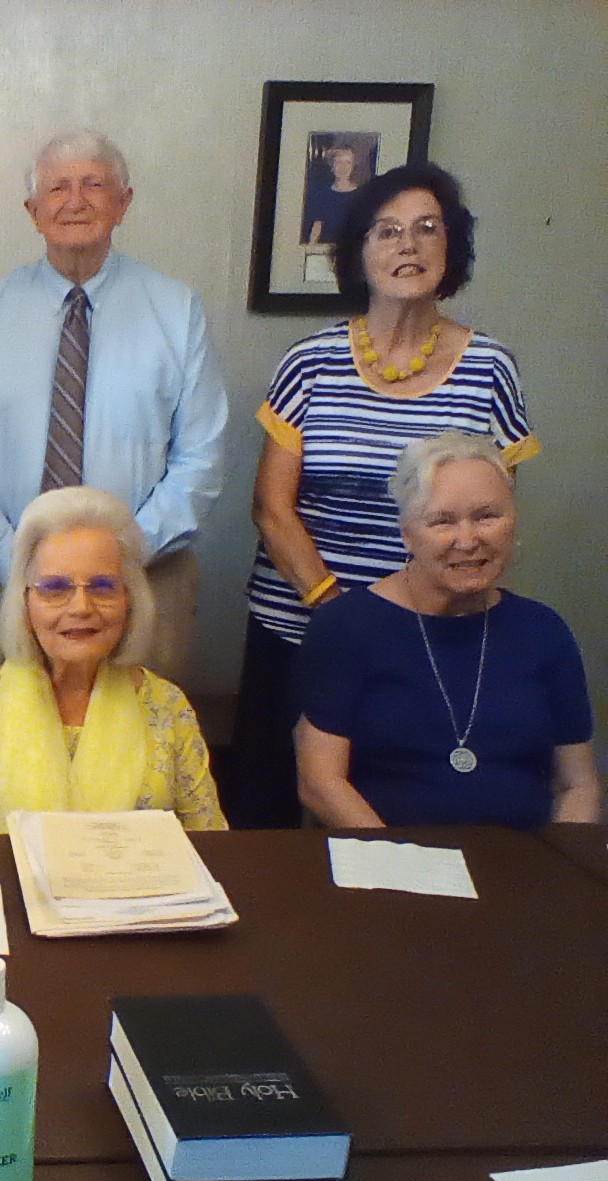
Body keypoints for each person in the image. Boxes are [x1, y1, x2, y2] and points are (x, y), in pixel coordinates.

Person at [226, 162, 536, 829]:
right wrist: (343, 616)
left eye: (427, 228)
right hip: (296, 627)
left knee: (397, 812)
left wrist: (395, 627)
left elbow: (488, 520)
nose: (408, 245)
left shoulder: (490, 369)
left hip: (429, 639)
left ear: (452, 247)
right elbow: (271, 508)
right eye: (387, 231)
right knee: (266, 813)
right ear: (358, 252)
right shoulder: (310, 361)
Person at [0, 129, 227, 683]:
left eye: (94, 184)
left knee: (136, 734)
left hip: (143, 580)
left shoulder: (177, 310)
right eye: (58, 188)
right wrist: (16, 561)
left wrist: (118, 560)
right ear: (33, 210)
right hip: (1, 580)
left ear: (123, 202)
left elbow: (201, 457)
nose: (75, 201)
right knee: (0, 731)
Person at [295, 434, 596, 828]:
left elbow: (578, 785)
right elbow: (320, 783)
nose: (468, 541)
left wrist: (566, 860)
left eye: (487, 516)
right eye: (442, 521)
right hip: (387, 854)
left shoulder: (544, 631)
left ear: (513, 521)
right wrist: (401, 859)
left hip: (526, 857)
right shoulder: (346, 627)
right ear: (407, 533)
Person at [0, 487, 225, 834]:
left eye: (102, 586)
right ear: (24, 601)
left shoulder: (168, 707)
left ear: (130, 599)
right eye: (55, 588)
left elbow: (210, 844)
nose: (81, 607)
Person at [303, 143, 365, 245]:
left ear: (353, 166)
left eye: (348, 162)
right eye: (338, 162)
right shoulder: (321, 194)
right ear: (331, 165)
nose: (343, 167)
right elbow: (317, 226)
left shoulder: (362, 195)